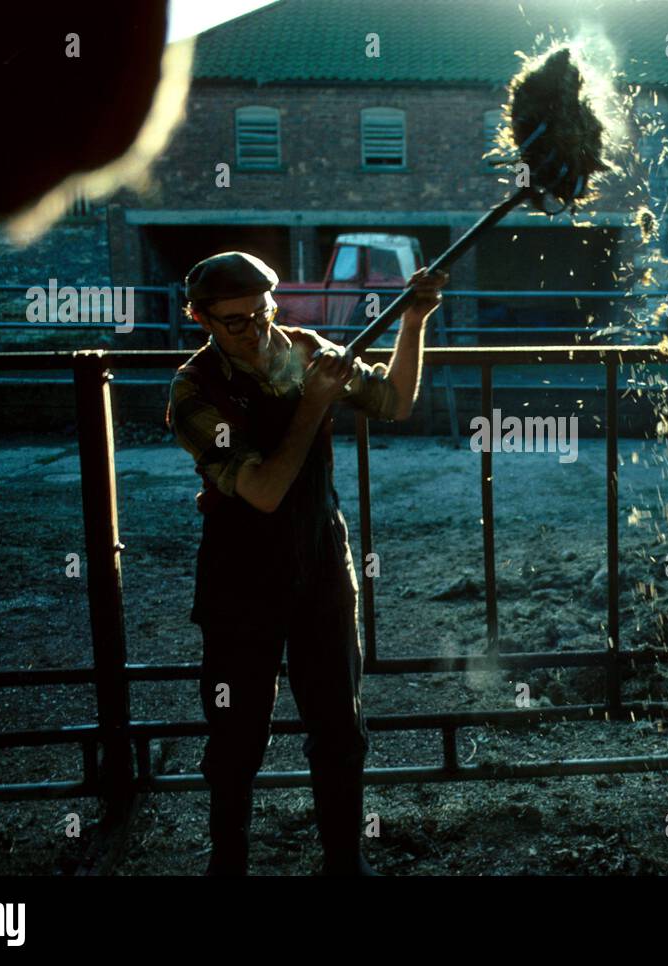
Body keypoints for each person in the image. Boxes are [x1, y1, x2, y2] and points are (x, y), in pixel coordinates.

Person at [165, 250, 446, 875]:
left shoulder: (304, 346)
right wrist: (315, 403)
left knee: (340, 728)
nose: (256, 330)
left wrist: (413, 322)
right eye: (235, 322)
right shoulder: (192, 391)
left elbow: (395, 401)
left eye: (263, 312)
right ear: (201, 319)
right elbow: (262, 491)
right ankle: (228, 865)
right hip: (240, 577)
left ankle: (346, 865)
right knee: (238, 737)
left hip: (321, 561)